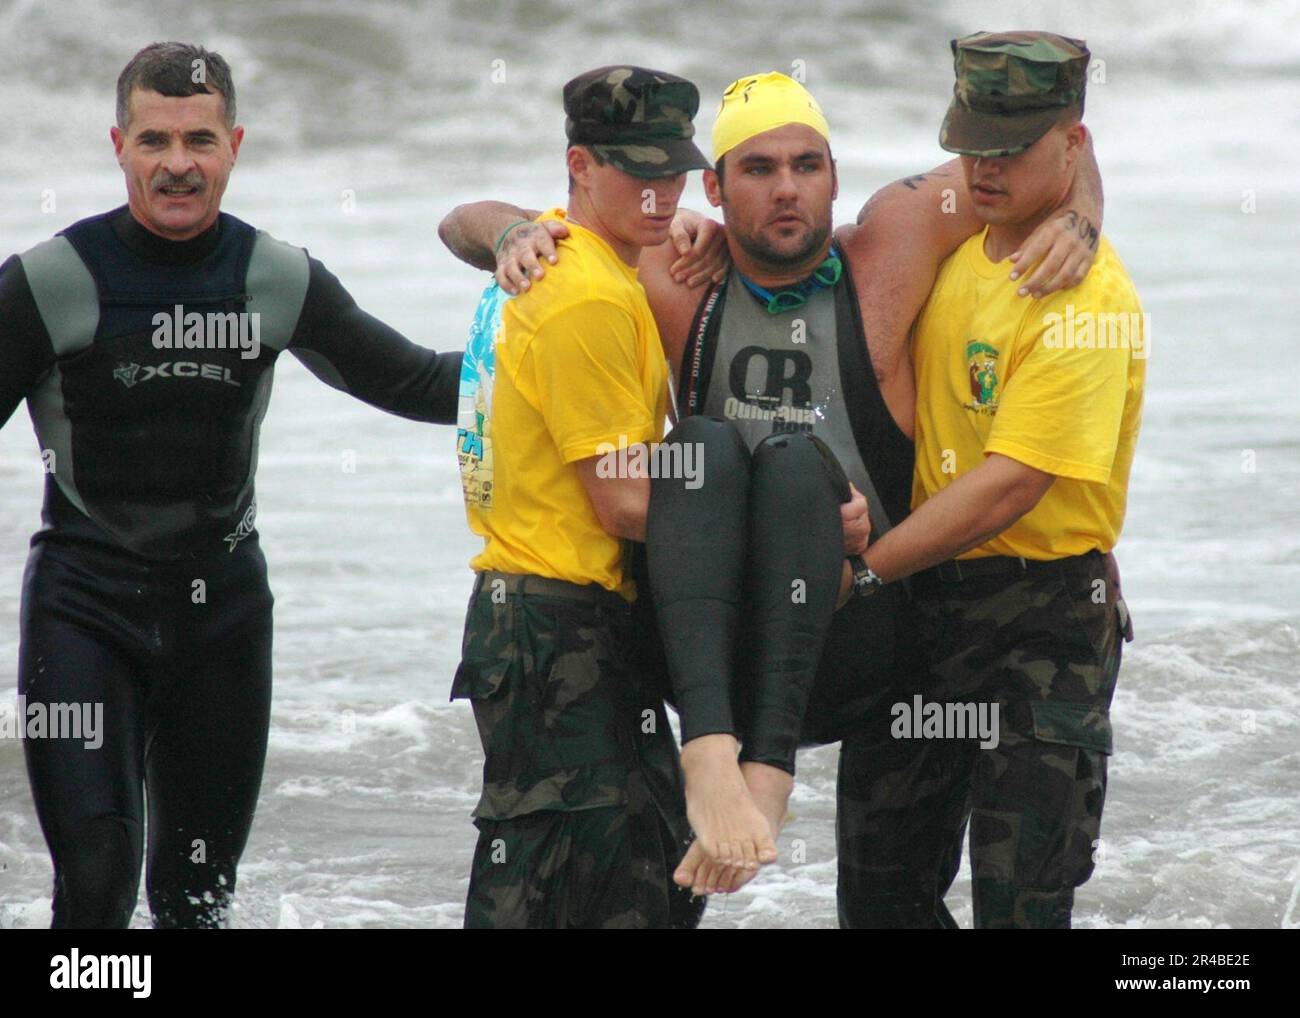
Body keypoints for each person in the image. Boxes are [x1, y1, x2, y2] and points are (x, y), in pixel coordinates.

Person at [439, 68, 1104, 909]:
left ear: (835, 175)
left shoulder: (894, 243)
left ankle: (758, 775)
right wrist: (512, 233)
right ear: (712, 190)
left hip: (871, 622)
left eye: (807, 165)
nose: (787, 189)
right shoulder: (667, 275)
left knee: (892, 904)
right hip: (726, 639)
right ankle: (724, 766)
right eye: (757, 171)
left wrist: (1081, 218)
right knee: (644, 884)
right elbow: (467, 220)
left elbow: (1045, 146)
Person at [0, 42, 463, 928]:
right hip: (84, 610)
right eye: (155, 140)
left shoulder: (274, 277)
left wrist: (560, 327)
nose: (179, 164)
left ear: (235, 146)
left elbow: (418, 383)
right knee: (95, 884)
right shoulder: (51, 282)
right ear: (120, 143)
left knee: (196, 897)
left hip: (224, 621)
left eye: (200, 141)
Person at [843, 31, 1145, 928]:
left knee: (1019, 901)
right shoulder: (954, 232)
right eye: (970, 142)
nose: (985, 166)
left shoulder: (1087, 302)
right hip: (926, 619)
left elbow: (1015, 483)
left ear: (1072, 144)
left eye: (1012, 149)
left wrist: (866, 572)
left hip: (1041, 629)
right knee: (880, 893)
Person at [449, 65, 728, 928]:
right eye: (635, 173)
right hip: (556, 627)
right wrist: (761, 519)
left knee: (637, 871)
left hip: (538, 619)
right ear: (579, 165)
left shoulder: (563, 253)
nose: (658, 194)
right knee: (560, 885)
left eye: (671, 172)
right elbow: (624, 503)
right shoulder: (587, 295)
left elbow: (462, 218)